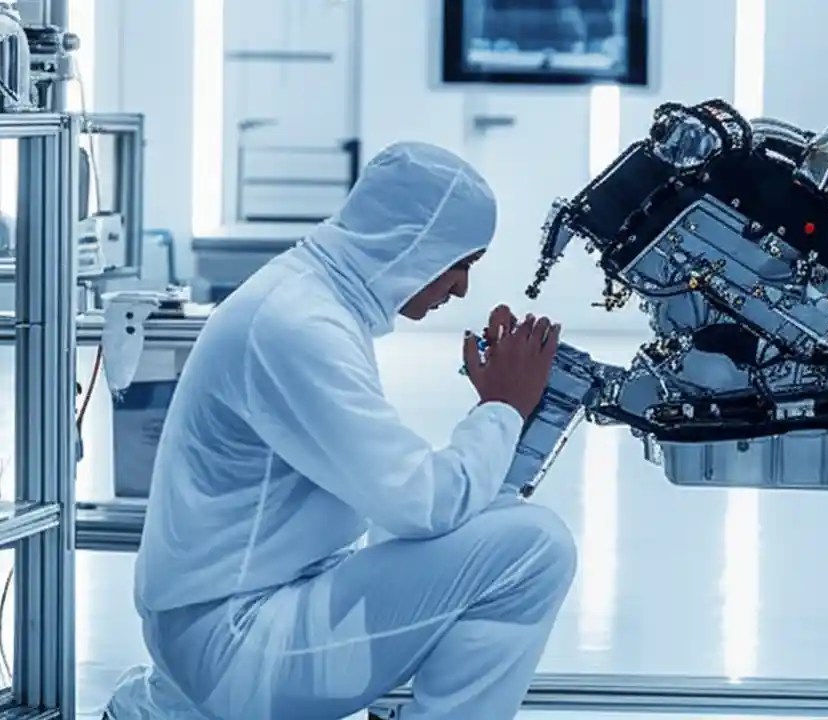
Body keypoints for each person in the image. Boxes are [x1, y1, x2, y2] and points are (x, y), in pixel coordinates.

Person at [105, 142, 576, 719]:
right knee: (536, 547)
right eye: (461, 264)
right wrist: (503, 407)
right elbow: (422, 504)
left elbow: (397, 501)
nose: (460, 289)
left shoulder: (304, 299)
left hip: (216, 632)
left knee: (492, 517)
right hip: (235, 652)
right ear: (414, 242)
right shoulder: (299, 325)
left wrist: (499, 416)